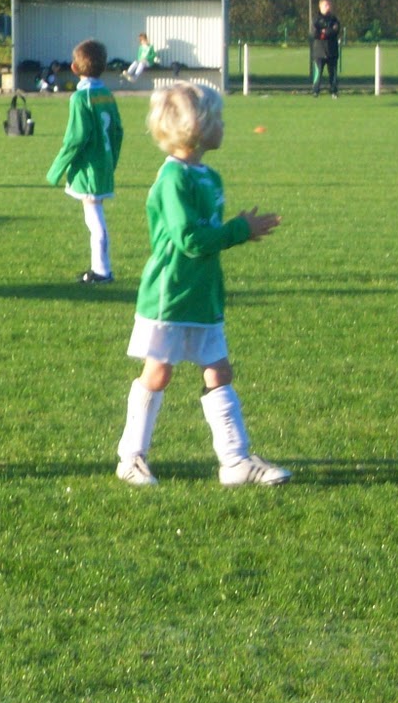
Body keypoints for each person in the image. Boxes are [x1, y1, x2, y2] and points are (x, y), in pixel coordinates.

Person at [115, 80, 289, 488]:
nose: (224, 125)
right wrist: (239, 231)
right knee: (158, 373)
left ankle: (234, 462)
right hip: (170, 295)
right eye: (219, 118)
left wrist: (236, 231)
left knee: (219, 371)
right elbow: (189, 240)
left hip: (204, 293)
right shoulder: (173, 179)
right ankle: (131, 457)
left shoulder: (209, 176)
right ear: (196, 127)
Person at [46, 39, 123, 284]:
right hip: (104, 164)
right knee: (94, 216)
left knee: (94, 219)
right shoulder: (106, 95)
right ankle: (99, 268)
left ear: (74, 68)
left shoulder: (81, 98)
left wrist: (56, 169)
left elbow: (76, 138)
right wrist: (113, 161)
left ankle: (101, 270)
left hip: (88, 168)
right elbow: (118, 131)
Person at [311, 0, 341, 97]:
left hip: (332, 51)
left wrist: (326, 32)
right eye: (325, 5)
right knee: (318, 73)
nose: (328, 7)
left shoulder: (334, 19)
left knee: (333, 74)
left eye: (329, 5)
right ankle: (315, 91)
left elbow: (335, 30)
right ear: (320, 7)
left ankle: (334, 91)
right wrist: (324, 32)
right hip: (319, 51)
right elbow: (314, 33)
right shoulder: (316, 20)